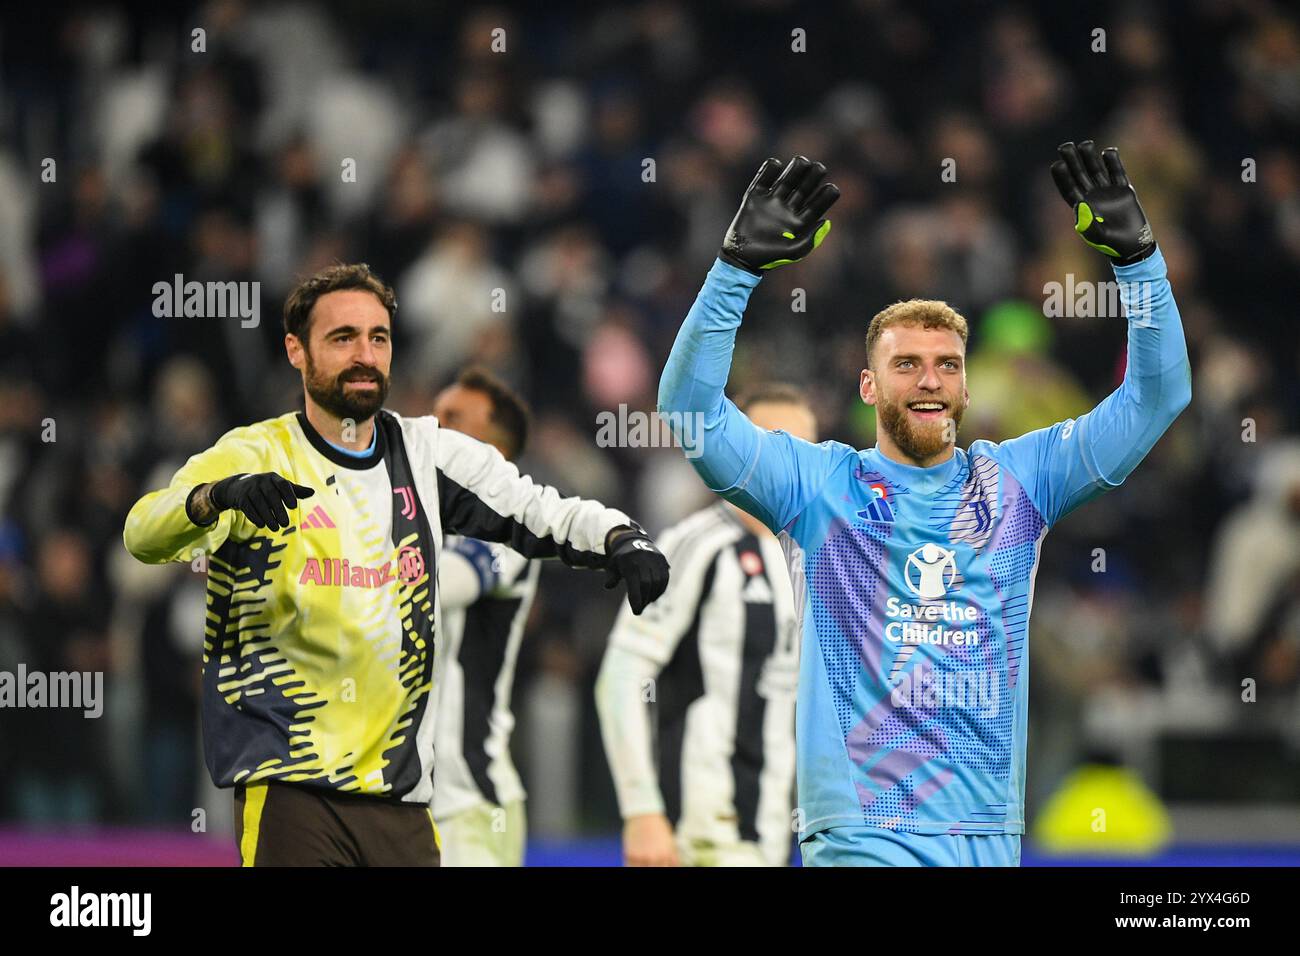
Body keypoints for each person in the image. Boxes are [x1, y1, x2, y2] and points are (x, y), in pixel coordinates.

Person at [657, 143, 1191, 866]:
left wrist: (1140, 264)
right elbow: (691, 414)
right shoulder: (817, 485)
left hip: (986, 837)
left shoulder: (1018, 483)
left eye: (947, 365)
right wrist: (735, 271)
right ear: (869, 388)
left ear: (969, 388)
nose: (929, 380)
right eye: (905, 364)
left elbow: (1157, 398)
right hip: (861, 832)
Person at [123, 263, 669, 866]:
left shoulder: (427, 453)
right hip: (289, 784)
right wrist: (214, 498)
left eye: (377, 338)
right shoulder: (255, 452)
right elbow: (143, 532)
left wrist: (619, 535)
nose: (364, 354)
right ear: (295, 351)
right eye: (342, 338)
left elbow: (538, 507)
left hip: (402, 798)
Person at [597, 384, 816, 867]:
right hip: (700, 830)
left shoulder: (815, 558)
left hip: (775, 832)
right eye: (772, 442)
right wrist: (643, 810)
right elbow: (622, 674)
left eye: (801, 448)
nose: (788, 462)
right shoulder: (696, 544)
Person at [428, 366, 537, 866]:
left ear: (493, 450)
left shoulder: (513, 521)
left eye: (451, 418)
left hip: (468, 799)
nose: (432, 426)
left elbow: (442, 583)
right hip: (400, 794)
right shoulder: (417, 515)